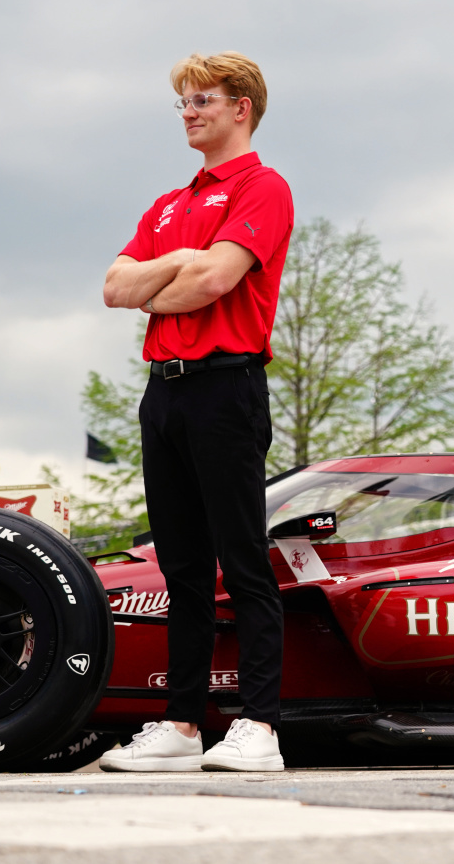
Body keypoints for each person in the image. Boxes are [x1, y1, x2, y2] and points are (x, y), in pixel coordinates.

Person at [97, 51, 293, 772]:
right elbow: (116, 288)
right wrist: (180, 262)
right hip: (165, 391)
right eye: (182, 101)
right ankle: (182, 726)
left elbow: (214, 280)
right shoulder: (168, 205)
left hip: (226, 387)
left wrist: (175, 275)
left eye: (202, 100)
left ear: (241, 107)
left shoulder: (264, 188)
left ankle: (261, 728)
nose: (188, 111)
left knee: (241, 558)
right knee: (181, 566)